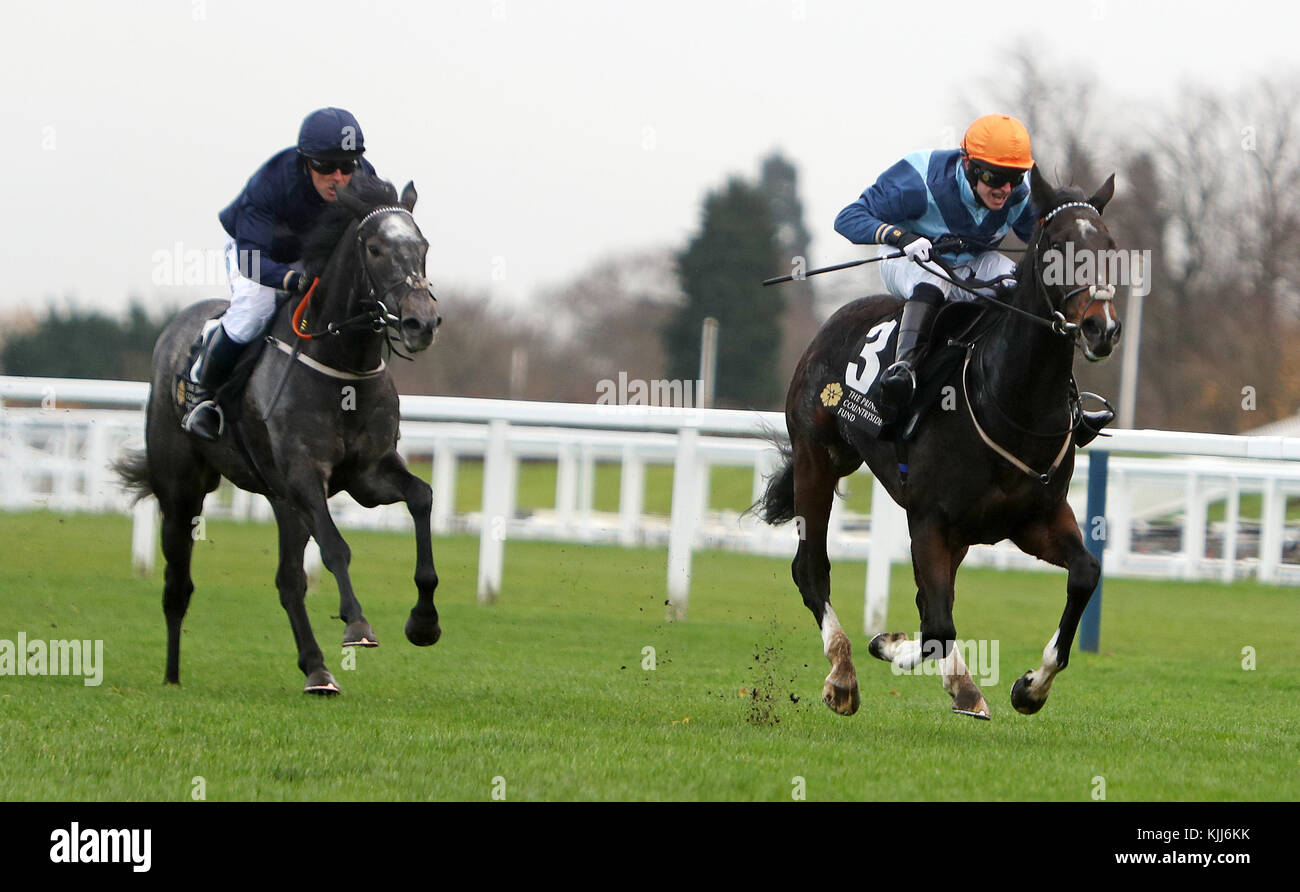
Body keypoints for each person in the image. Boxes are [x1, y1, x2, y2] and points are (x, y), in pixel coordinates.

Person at [181, 107, 378, 440]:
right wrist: (291, 281)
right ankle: (202, 393)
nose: (338, 177)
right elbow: (250, 260)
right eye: (326, 166)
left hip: (309, 252)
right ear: (305, 162)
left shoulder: (364, 179)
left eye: (347, 166)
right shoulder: (272, 182)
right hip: (256, 250)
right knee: (254, 311)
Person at [835, 113, 1037, 415]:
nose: (1005, 189)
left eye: (1015, 177)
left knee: (1019, 285)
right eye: (994, 177)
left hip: (970, 264)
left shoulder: (1020, 195)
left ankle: (1050, 392)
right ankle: (904, 369)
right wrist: (901, 236)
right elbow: (848, 217)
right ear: (969, 165)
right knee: (936, 276)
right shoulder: (919, 182)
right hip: (906, 260)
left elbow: (1042, 236)